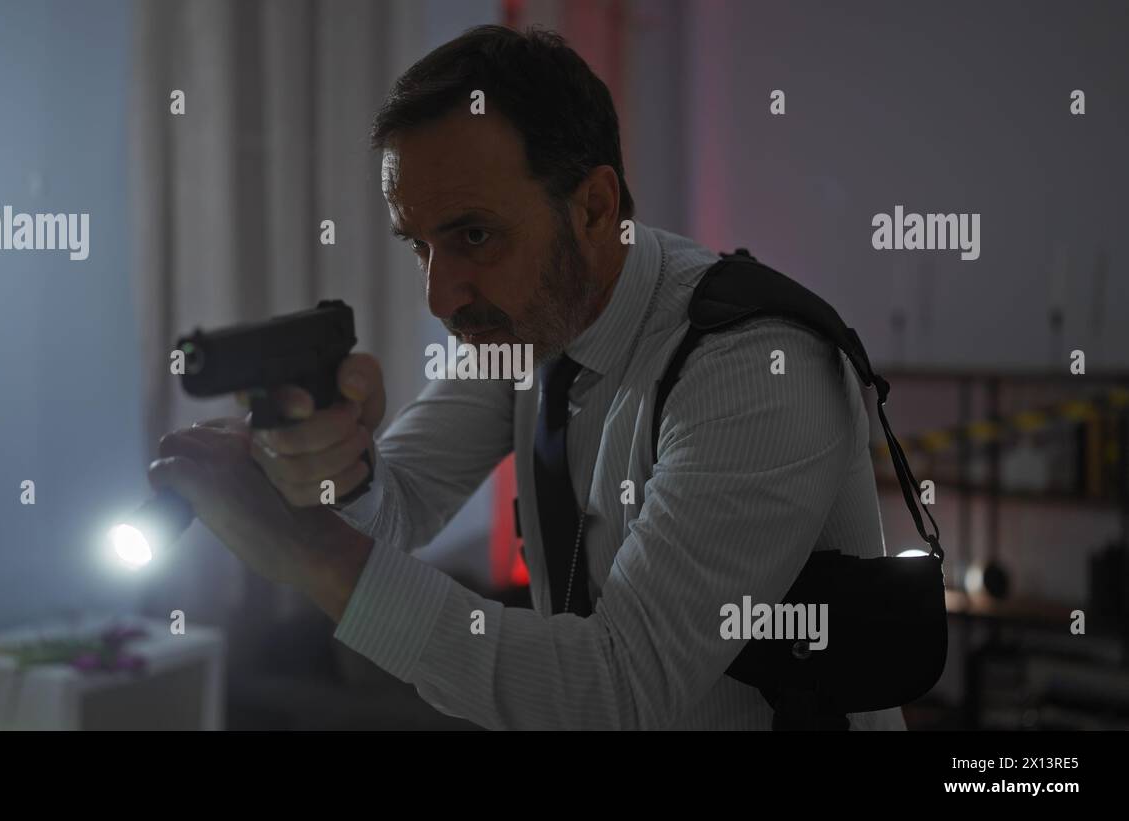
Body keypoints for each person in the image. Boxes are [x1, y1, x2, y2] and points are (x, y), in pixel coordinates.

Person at [151, 25, 906, 730]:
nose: (440, 296)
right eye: (419, 246)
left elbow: (620, 688)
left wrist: (309, 549)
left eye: (474, 235)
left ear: (593, 206)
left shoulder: (755, 365)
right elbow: (400, 505)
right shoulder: (533, 327)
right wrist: (338, 464)